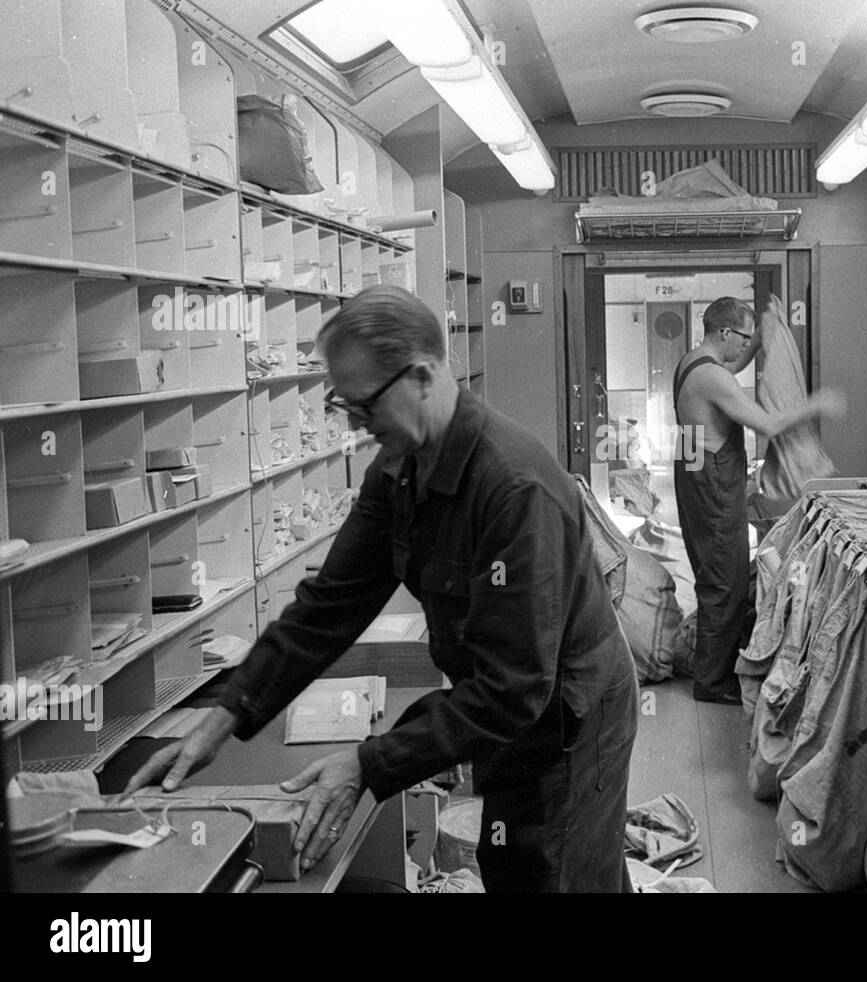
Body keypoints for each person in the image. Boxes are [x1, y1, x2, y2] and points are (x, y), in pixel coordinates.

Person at [126, 285, 639, 893]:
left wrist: (368, 764)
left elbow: (515, 691)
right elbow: (330, 604)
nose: (357, 427)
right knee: (514, 863)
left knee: (549, 870)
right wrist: (224, 717)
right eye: (345, 407)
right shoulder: (399, 470)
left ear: (421, 376)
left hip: (569, 720)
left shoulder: (513, 489)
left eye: (364, 406)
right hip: (512, 704)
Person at [673, 295, 844, 704]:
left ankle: (711, 666)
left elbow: (732, 365)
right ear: (725, 332)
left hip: (696, 470)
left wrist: (763, 333)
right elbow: (767, 423)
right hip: (710, 483)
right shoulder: (712, 378)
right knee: (725, 582)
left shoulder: (693, 362)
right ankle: (712, 683)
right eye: (744, 337)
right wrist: (815, 405)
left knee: (717, 575)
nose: (746, 346)